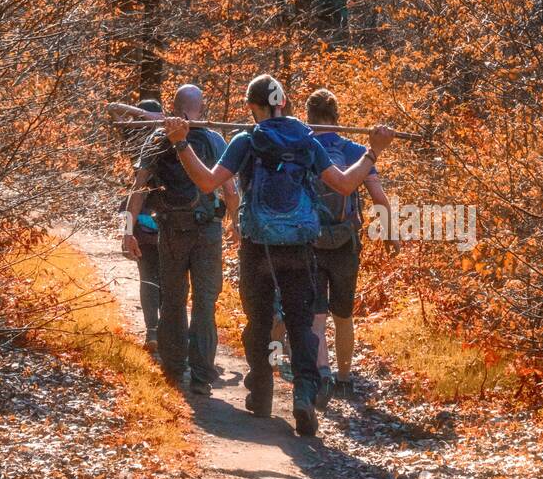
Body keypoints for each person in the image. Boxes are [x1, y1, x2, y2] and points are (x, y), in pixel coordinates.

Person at [163, 75, 394, 436]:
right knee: (301, 324)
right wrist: (373, 150)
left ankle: (263, 389)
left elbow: (208, 183)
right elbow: (347, 184)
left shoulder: (246, 141)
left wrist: (180, 144)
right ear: (283, 103)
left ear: (253, 107)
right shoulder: (306, 138)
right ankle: (304, 392)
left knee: (258, 321)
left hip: (259, 247)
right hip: (301, 247)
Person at [121, 84, 238, 395]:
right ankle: (201, 376)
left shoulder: (157, 138)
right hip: (208, 233)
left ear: (173, 106)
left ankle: (174, 369)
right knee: (204, 302)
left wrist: (127, 231)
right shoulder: (215, 139)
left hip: (170, 230)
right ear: (201, 107)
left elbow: (138, 188)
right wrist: (235, 223)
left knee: (172, 300)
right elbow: (230, 191)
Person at [306, 88, 392, 403]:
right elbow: (379, 198)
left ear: (309, 117)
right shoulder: (357, 150)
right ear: (337, 117)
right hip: (346, 243)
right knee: (343, 316)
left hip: (311, 242)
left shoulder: (305, 148)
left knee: (316, 316)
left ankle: (323, 374)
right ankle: (344, 379)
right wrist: (392, 230)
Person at [115, 98, 164, 350]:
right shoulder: (168, 140)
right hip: (159, 221)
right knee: (165, 278)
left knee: (149, 277)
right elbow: (114, 109)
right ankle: (164, 331)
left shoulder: (138, 142)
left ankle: (154, 332)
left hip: (145, 221)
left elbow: (115, 109)